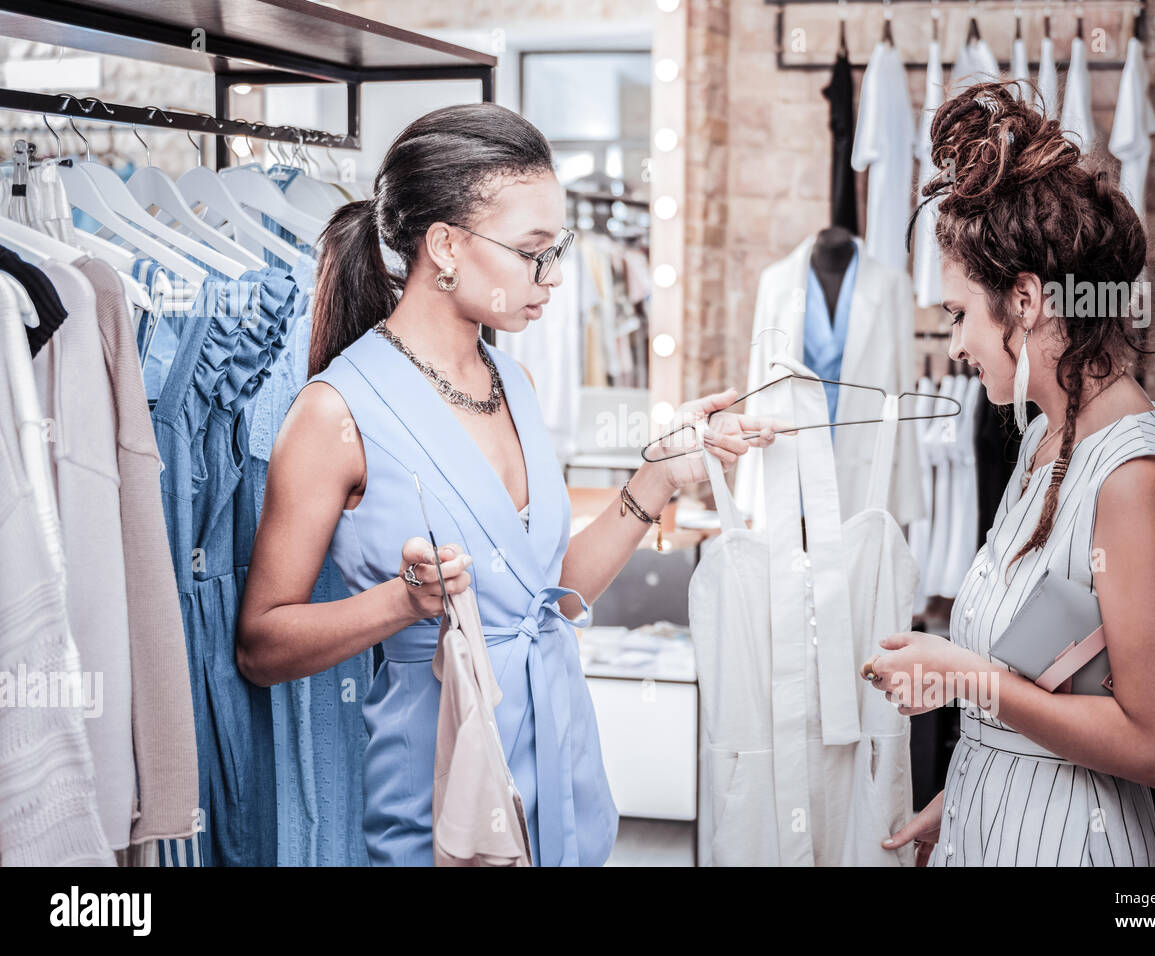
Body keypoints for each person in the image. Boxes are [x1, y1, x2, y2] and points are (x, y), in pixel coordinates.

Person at [236, 103, 782, 866]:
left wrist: (657, 475)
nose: (552, 277)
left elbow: (546, 595)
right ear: (446, 246)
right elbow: (261, 644)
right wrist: (403, 601)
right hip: (442, 802)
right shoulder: (335, 413)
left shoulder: (514, 381)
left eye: (555, 250)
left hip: (563, 777)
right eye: (532, 252)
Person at [862, 80, 1155, 866]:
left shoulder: (1136, 483)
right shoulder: (1042, 443)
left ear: (1024, 300)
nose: (954, 345)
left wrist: (964, 678)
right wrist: (965, 796)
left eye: (959, 314)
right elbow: (1059, 682)